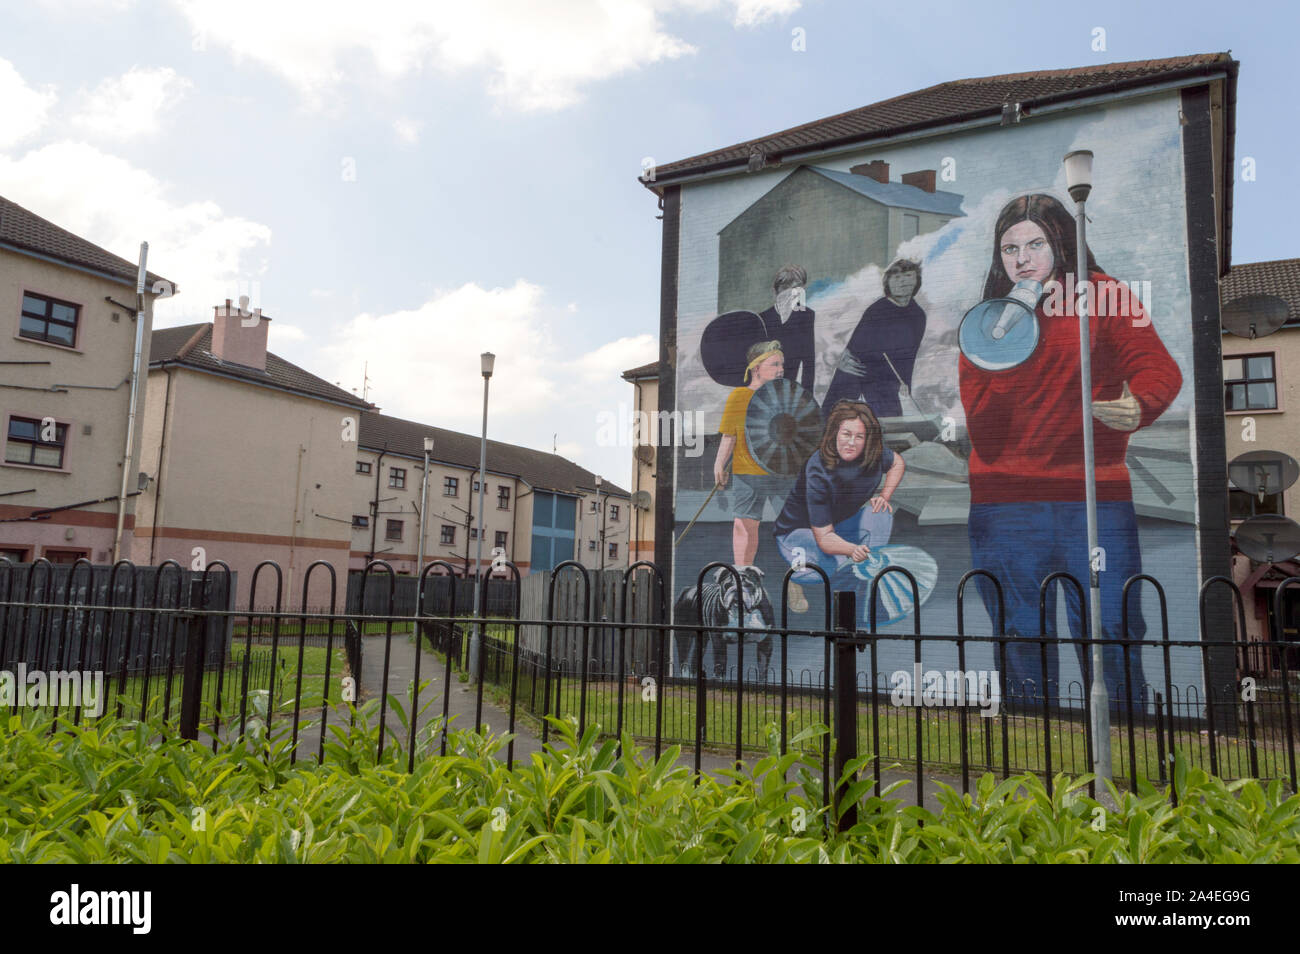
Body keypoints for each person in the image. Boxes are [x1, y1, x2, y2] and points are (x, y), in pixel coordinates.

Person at [959, 193, 1182, 708]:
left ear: (1060, 242)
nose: (1022, 258)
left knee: (1114, 626)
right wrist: (1009, 346)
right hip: (1004, 503)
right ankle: (1031, 746)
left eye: (1035, 243)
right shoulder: (987, 321)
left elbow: (1157, 367)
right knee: (1019, 632)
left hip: (1094, 496)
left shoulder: (1104, 296)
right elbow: (986, 430)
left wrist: (1140, 402)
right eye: (1009, 247)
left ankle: (1127, 744)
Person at [773, 400, 906, 612]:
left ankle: (869, 575)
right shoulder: (818, 469)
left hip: (839, 525)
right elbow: (825, 538)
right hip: (800, 533)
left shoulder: (873, 455)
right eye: (846, 434)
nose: (851, 442)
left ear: (867, 440)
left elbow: (897, 462)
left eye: (859, 436)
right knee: (832, 566)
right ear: (835, 432)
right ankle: (797, 579)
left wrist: (885, 495)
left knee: (880, 513)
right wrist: (852, 549)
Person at [715, 340, 789, 568]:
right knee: (745, 526)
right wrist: (719, 465)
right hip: (747, 473)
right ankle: (743, 573)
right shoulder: (739, 396)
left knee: (793, 525)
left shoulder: (785, 395)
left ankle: (798, 575)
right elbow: (730, 436)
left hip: (782, 473)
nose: (781, 370)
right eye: (775, 364)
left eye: (782, 365)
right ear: (756, 368)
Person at [823, 259, 925, 419]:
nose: (903, 281)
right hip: (857, 368)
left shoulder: (918, 315)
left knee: (891, 421)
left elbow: (909, 356)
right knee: (835, 416)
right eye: (896, 277)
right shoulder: (877, 310)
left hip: (885, 377)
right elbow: (855, 348)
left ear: (916, 280)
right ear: (888, 283)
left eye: (908, 276)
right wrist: (843, 362)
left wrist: (905, 383)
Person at [757, 266, 816, 393]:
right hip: (765, 389)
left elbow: (808, 362)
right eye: (785, 289)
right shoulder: (762, 319)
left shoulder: (806, 316)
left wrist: (807, 398)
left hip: (790, 391)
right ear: (775, 292)